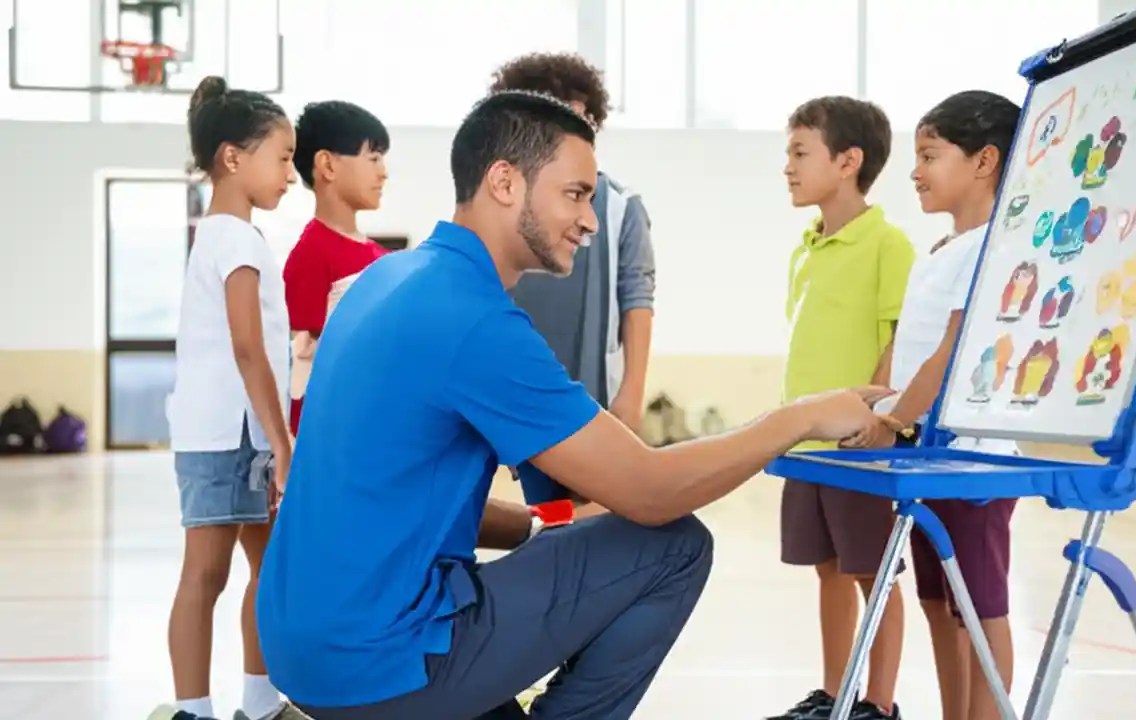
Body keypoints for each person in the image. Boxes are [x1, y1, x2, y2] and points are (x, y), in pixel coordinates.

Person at [254, 90, 895, 720]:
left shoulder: (386, 279)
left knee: (576, 540)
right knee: (675, 546)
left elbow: (394, 494)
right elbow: (651, 492)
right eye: (576, 194)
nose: (590, 220)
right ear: (505, 182)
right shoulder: (473, 319)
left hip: (301, 649)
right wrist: (802, 417)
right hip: (378, 664)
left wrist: (539, 527)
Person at [846, 89, 1023, 720]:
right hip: (926, 457)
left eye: (929, 155)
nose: (915, 171)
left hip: (972, 460)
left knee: (978, 610)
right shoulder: (945, 249)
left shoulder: (993, 248)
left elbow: (951, 351)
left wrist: (893, 422)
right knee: (937, 604)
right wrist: (868, 404)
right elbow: (903, 346)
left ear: (984, 161)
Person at [149, 76, 306, 720]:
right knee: (206, 575)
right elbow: (248, 348)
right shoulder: (234, 238)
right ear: (232, 157)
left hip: (243, 435)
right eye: (283, 158)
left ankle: (261, 703)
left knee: (269, 571)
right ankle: (192, 710)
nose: (290, 175)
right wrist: (282, 443)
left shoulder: (229, 235)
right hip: (227, 436)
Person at [770, 97, 914, 720]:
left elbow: (898, 343)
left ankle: (878, 705)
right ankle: (835, 695)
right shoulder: (806, 248)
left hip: (857, 451)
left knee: (872, 573)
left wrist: (871, 422)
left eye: (800, 153)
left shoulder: (887, 244)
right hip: (807, 447)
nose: (788, 167)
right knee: (826, 570)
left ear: (848, 161)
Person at [488, 53, 656, 508]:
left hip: (590, 387)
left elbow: (637, 296)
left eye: (582, 119)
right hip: (520, 380)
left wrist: (632, 394)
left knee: (587, 507)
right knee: (542, 506)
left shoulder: (619, 206)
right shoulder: (507, 199)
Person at [281, 100, 392, 436]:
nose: (383, 172)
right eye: (373, 158)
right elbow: (301, 360)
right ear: (327, 165)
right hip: (330, 430)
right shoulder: (311, 254)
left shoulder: (381, 256)